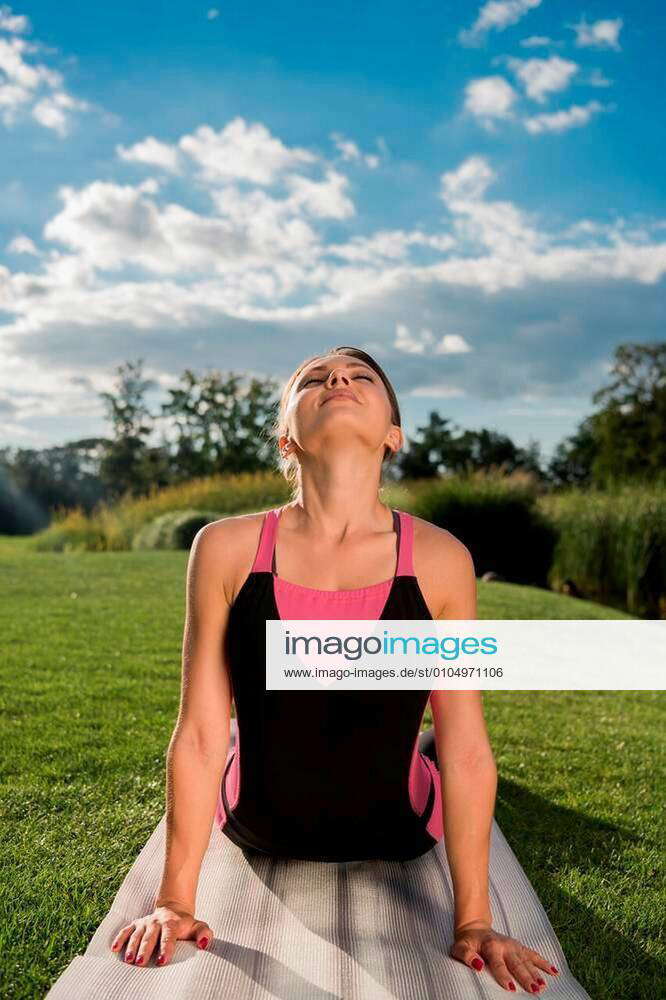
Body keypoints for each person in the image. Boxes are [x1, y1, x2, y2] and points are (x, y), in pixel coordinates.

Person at [108, 346, 559, 995]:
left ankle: (412, 755)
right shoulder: (227, 548)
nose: (338, 380)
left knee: (434, 747)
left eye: (360, 377)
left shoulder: (439, 558)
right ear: (286, 437)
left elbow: (464, 742)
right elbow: (203, 729)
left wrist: (475, 920)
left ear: (392, 435)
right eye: (315, 378)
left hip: (399, 825)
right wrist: (176, 903)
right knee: (241, 736)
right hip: (256, 820)